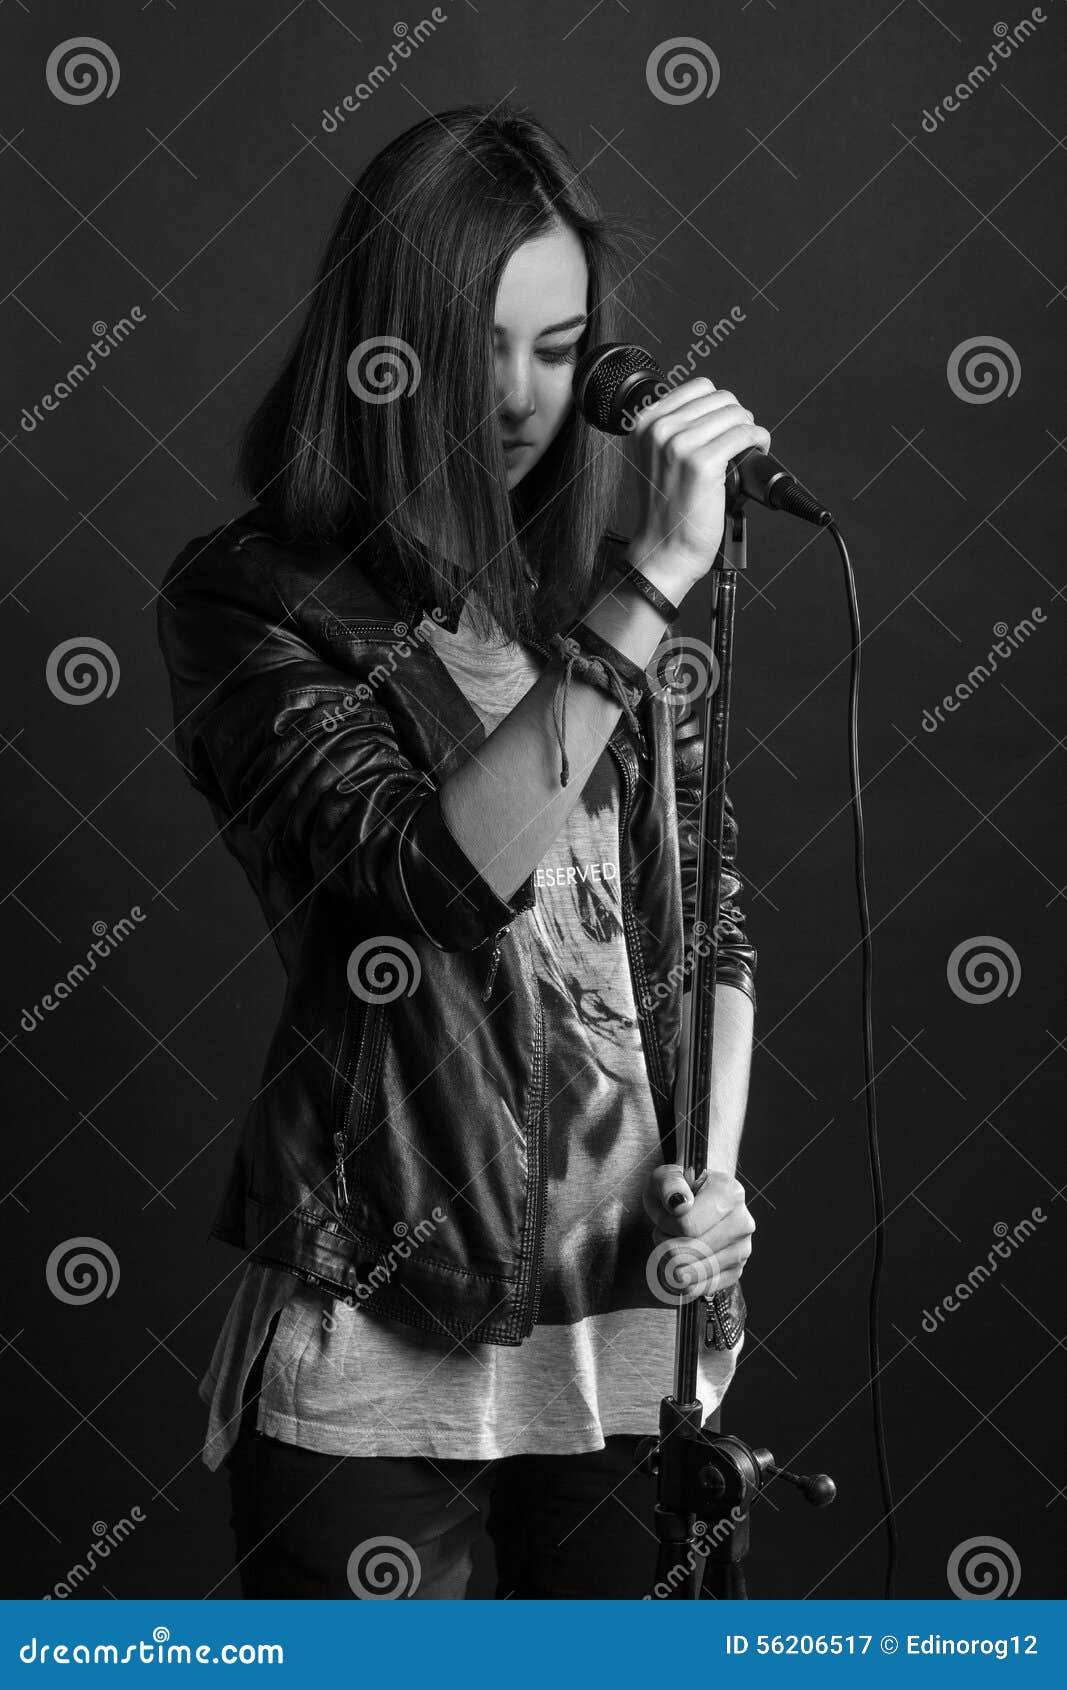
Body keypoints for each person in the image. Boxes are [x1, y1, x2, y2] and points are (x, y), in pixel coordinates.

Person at [156, 101, 766, 1600]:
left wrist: (720, 1183)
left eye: (560, 351)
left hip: (629, 1330)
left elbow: (711, 930)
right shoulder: (260, 600)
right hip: (384, 1329)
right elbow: (432, 877)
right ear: (383, 342)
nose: (519, 393)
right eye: (478, 342)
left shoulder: (582, 603)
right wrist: (651, 590)